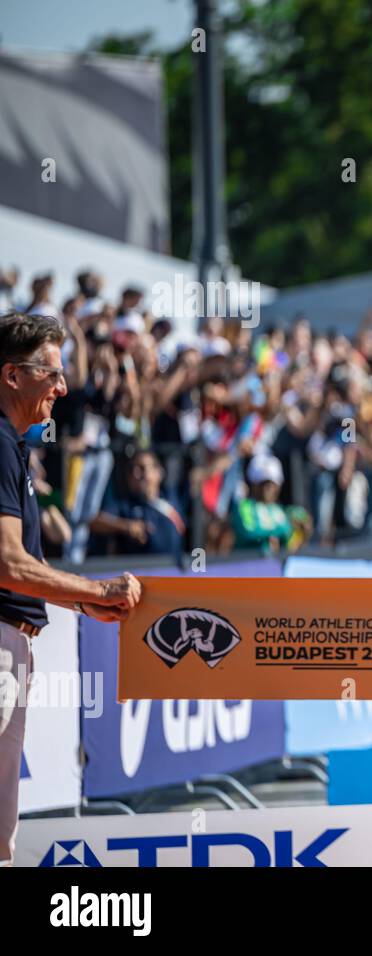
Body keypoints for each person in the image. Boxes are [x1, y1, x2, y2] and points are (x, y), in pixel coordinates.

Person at [0, 312, 141, 865]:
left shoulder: (13, 445)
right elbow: (9, 565)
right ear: (12, 375)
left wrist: (87, 601)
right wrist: (93, 591)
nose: (62, 387)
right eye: (50, 373)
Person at [89, 449, 186, 558]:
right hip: (139, 571)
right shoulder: (124, 505)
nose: (136, 474)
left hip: (173, 571)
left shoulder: (173, 499)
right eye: (132, 470)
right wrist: (126, 526)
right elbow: (94, 522)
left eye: (142, 468)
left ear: (158, 473)